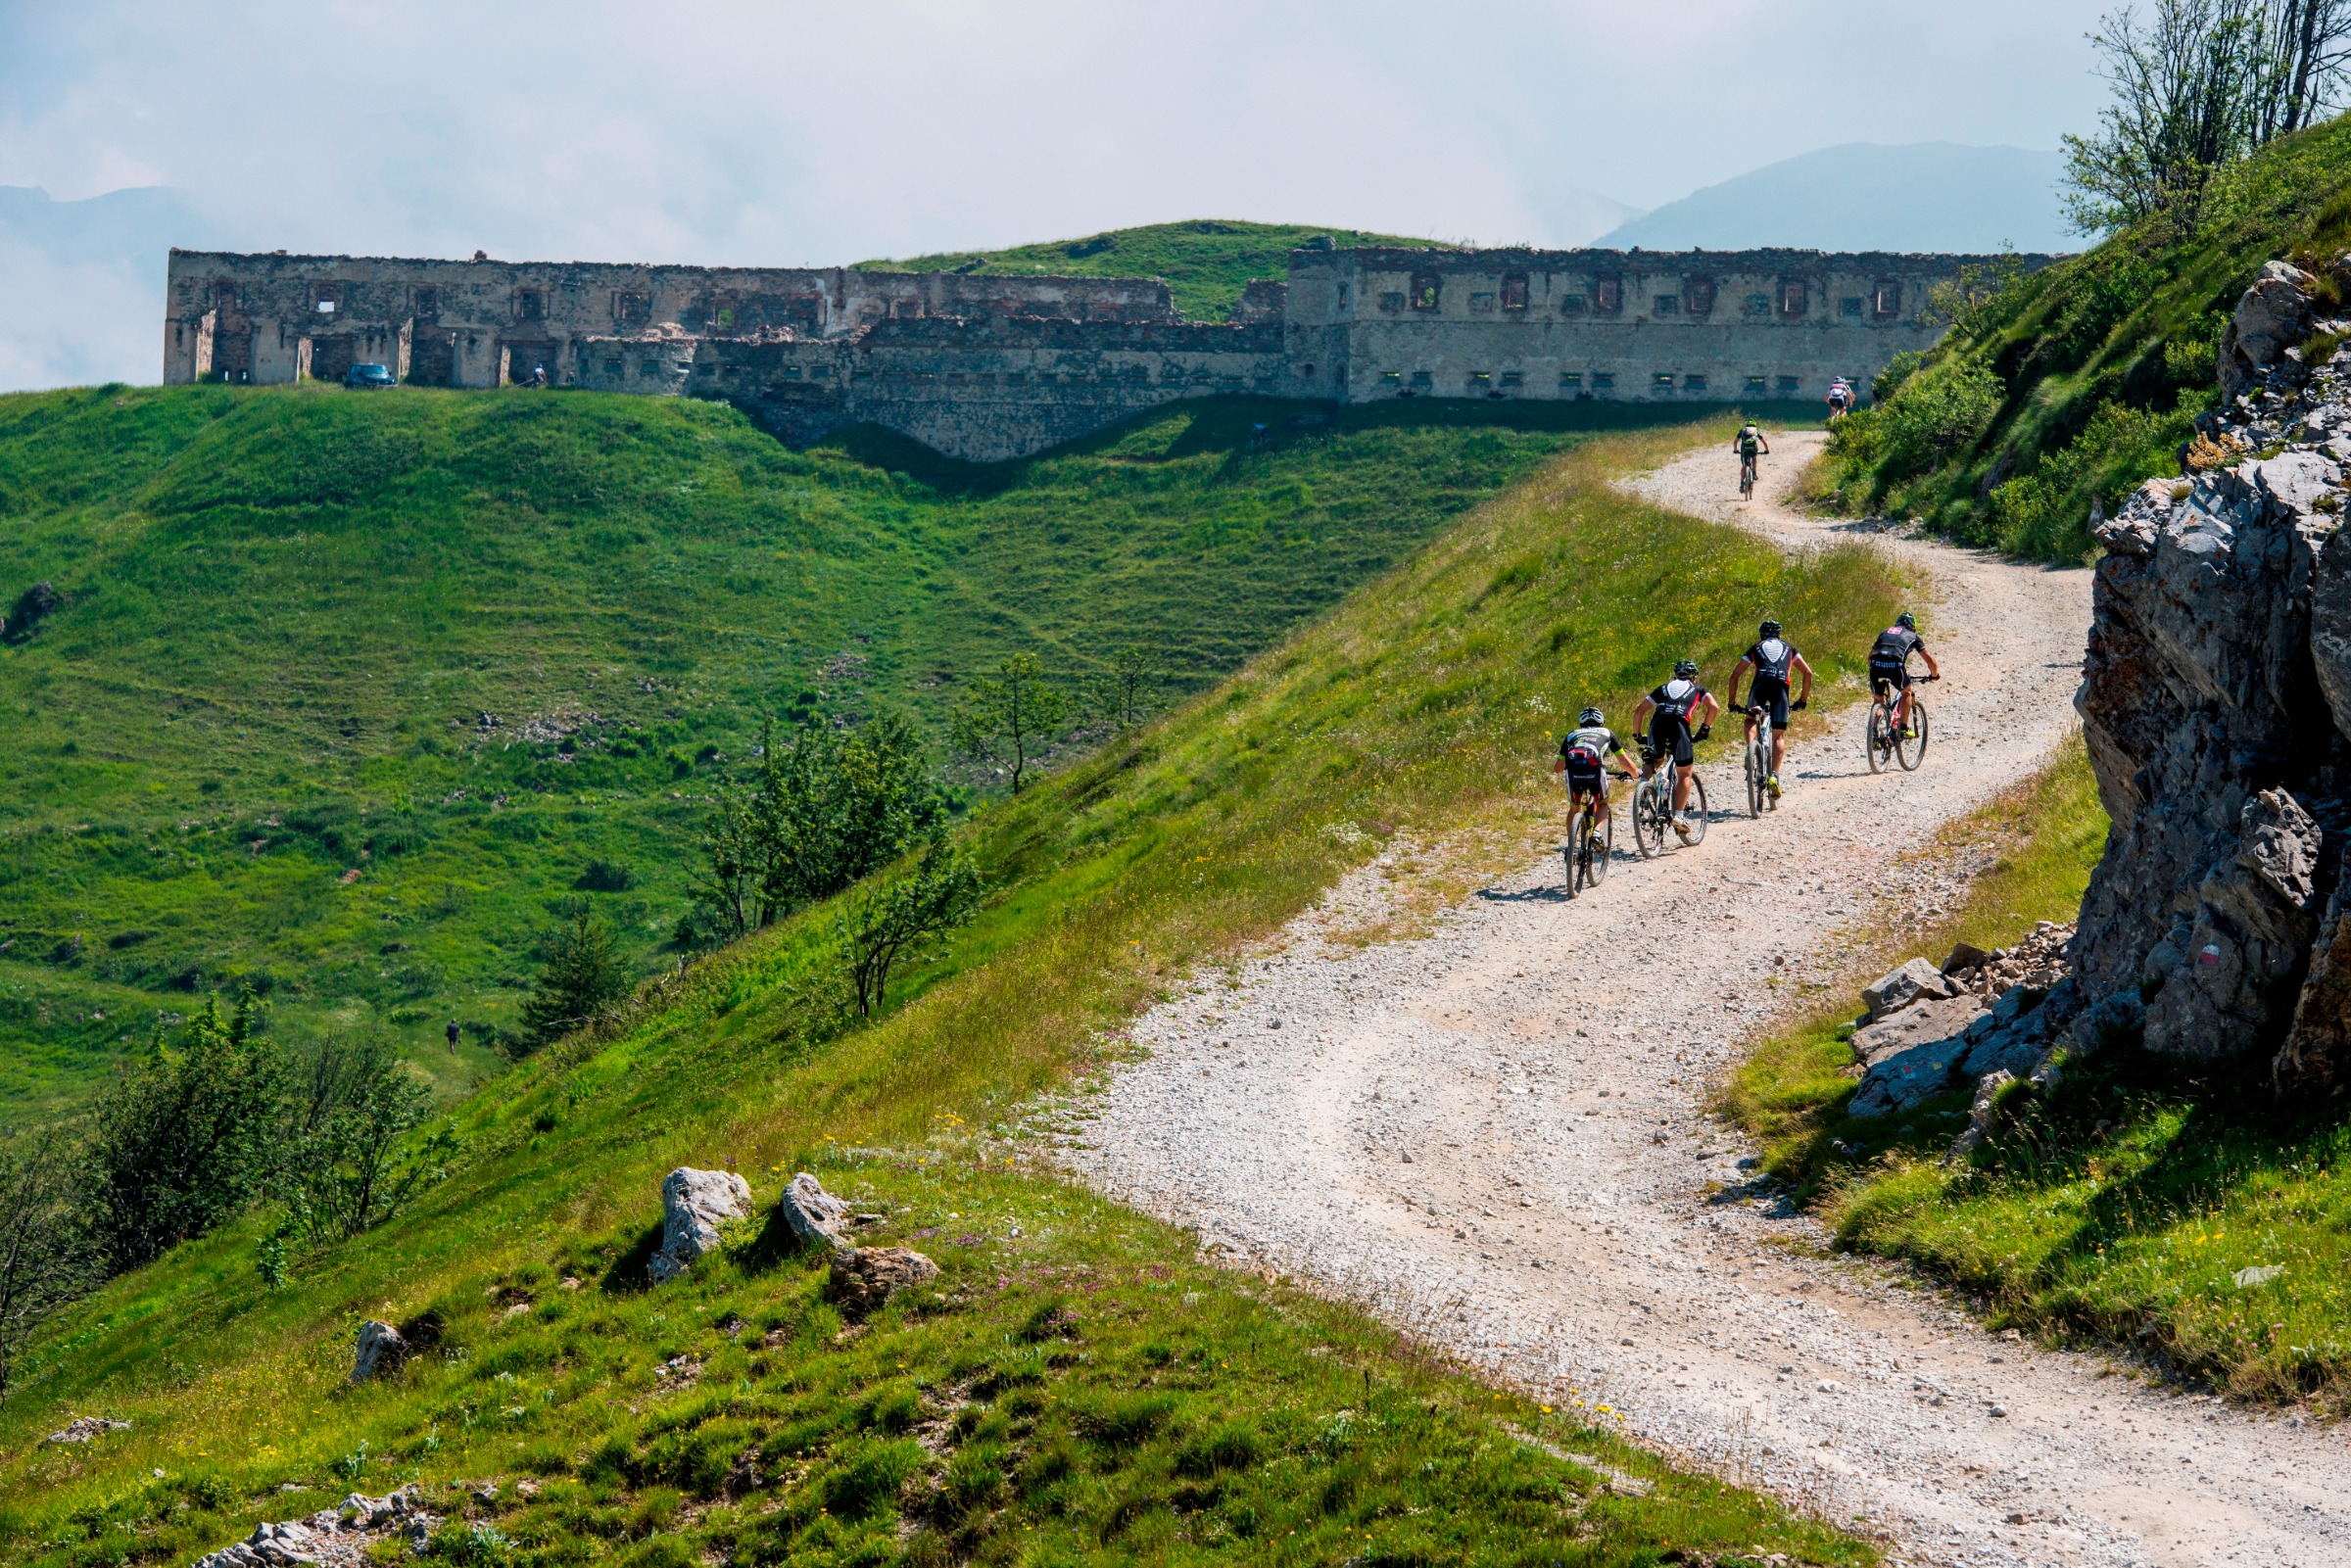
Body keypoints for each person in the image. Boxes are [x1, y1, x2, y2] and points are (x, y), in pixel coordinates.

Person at [1724, 618, 1814, 799]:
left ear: (1761, 634)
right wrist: (1802, 700)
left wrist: (1732, 703)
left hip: (1760, 686)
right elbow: (1807, 672)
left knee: (1750, 718)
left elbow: (1735, 676)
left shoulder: (1756, 648)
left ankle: (1751, 750)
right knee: (1778, 735)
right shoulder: (1789, 648)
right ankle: (1774, 776)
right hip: (1780, 689)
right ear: (1779, 634)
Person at [1631, 659, 1719, 840]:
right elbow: (1714, 707)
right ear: (1694, 676)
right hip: (1679, 726)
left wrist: (1637, 735)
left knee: (1654, 760)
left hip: (1657, 724)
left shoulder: (1663, 688)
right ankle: (1678, 815)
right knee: (1685, 772)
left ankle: (1644, 788)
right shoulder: (1698, 689)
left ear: (1675, 674)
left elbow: (1639, 711)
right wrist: (1705, 728)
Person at [1552, 705, 1637, 829]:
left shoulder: (1572, 735)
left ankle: (1571, 844)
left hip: (1573, 772)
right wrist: (1635, 773)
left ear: (1581, 724)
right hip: (1595, 771)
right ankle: (1596, 833)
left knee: (1574, 808)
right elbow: (1626, 763)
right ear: (1601, 723)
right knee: (1603, 804)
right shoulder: (1607, 733)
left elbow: (1558, 768)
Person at [1868, 612, 1940, 736]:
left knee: (1878, 700)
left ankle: (1873, 734)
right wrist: (1934, 675)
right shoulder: (1913, 636)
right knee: (1906, 691)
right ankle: (1903, 728)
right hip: (1895, 667)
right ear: (1913, 626)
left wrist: (1880, 667)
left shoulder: (1885, 632)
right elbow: (1930, 661)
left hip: (1875, 666)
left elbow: (1869, 658)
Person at [1735, 420, 1769, 496]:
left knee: (1744, 465)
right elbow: (1764, 442)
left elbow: (1735, 441)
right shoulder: (1755, 431)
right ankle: (1754, 473)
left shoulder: (1742, 431)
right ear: (1754, 426)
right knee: (1754, 458)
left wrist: (1735, 450)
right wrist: (1766, 450)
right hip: (1753, 449)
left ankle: (1741, 483)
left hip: (1744, 450)